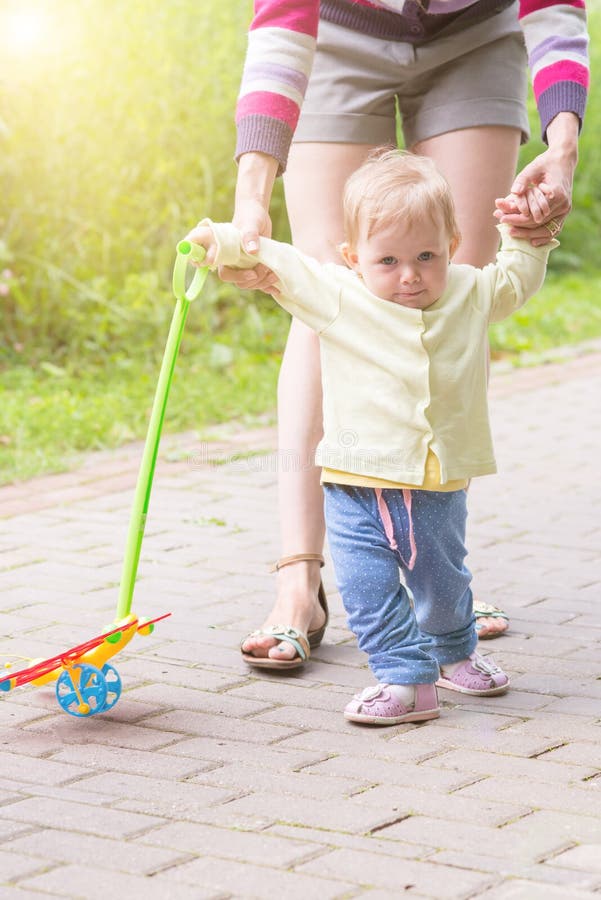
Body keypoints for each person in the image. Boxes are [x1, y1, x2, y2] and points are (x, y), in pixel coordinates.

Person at [225, 0, 588, 665]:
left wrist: (561, 147)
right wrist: (252, 195)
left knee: (454, 292)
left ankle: (437, 581)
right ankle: (298, 581)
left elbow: (552, 8)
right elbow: (282, 21)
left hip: (474, 32)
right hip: (339, 32)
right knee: (325, 293)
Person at [186, 148, 558, 723]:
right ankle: (405, 680)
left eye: (427, 256)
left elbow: (514, 280)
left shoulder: (468, 291)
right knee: (366, 590)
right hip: (354, 485)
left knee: (442, 582)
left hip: (435, 485)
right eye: (388, 260)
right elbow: (283, 263)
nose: (410, 275)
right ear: (353, 257)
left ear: (453, 244)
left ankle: (455, 652)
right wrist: (224, 240)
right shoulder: (340, 293)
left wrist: (526, 239)